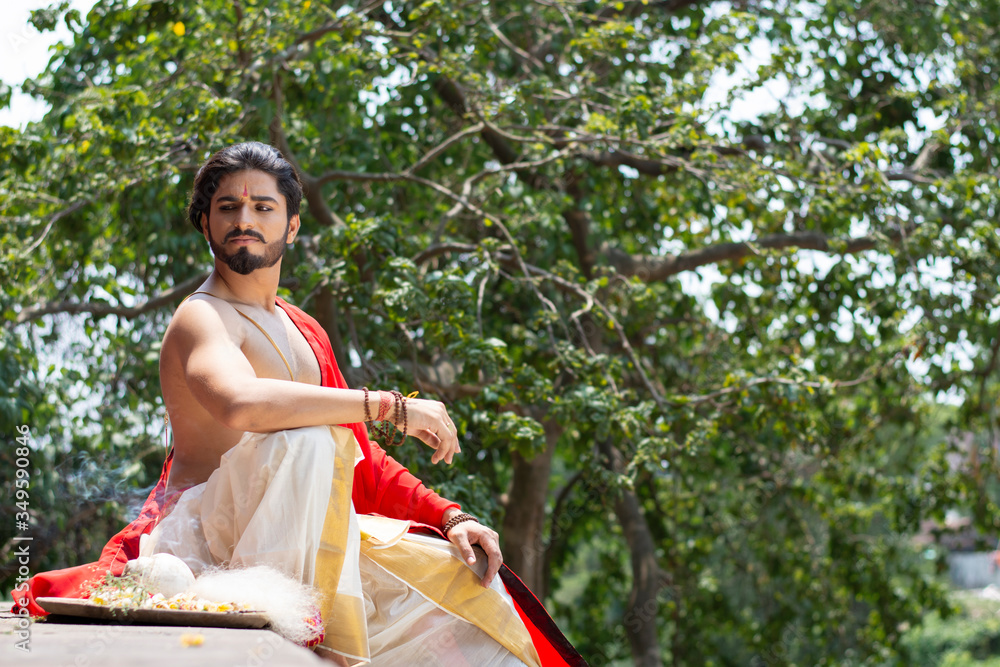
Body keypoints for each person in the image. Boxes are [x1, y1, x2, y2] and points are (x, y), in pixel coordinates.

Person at [12, 142, 584, 667]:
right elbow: (241, 405)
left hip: (310, 538)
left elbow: (359, 458)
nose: (244, 220)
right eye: (228, 207)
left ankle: (310, 621)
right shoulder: (201, 317)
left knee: (473, 593)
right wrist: (391, 406)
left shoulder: (303, 328)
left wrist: (449, 515)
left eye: (263, 207)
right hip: (205, 546)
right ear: (204, 223)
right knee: (306, 438)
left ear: (292, 225)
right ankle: (287, 632)